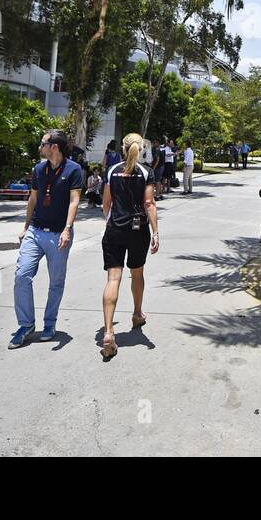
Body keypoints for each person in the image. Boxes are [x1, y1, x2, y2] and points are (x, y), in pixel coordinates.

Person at [10, 130, 83, 348]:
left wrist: (68, 229)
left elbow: (74, 201)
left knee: (56, 282)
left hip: (59, 234)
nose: (40, 146)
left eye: (43, 143)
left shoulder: (74, 170)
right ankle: (26, 324)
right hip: (36, 230)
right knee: (22, 275)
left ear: (54, 147)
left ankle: (49, 323)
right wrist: (25, 227)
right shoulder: (38, 169)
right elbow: (33, 199)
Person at [101, 133, 160, 359]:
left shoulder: (112, 171)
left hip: (115, 229)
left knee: (112, 279)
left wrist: (111, 221)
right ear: (141, 148)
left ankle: (108, 332)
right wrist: (155, 232)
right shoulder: (146, 172)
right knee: (137, 274)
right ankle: (137, 314)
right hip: (138, 231)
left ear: (123, 149)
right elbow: (149, 203)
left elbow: (107, 203)